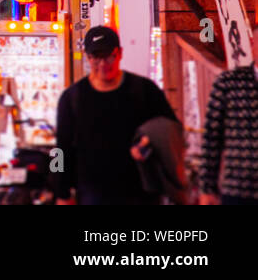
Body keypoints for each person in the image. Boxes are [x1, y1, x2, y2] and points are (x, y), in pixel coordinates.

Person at [53, 26, 177, 205]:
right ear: (88, 58)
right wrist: (62, 193)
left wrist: (146, 144)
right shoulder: (72, 98)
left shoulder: (144, 90)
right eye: (96, 58)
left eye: (109, 56)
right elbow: (61, 149)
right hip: (93, 192)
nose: (103, 64)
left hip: (141, 190)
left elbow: (170, 128)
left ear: (120, 53)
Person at [199, 63, 258, 204]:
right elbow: (211, 138)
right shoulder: (229, 82)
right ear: (253, 43)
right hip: (239, 190)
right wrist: (207, 188)